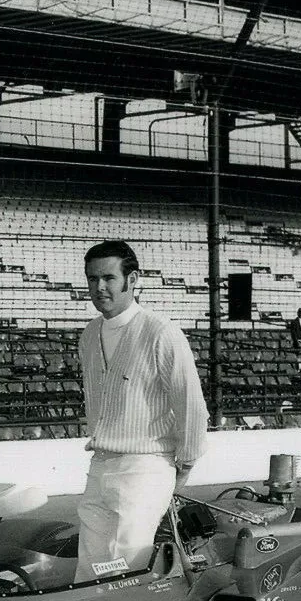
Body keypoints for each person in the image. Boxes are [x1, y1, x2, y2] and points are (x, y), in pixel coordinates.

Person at [75, 240, 208, 580]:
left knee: (126, 571)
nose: (99, 287)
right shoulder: (89, 334)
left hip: (144, 467)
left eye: (109, 278)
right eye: (92, 279)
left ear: (132, 280)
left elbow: (191, 404)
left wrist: (186, 463)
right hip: (100, 464)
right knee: (88, 571)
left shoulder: (160, 331)